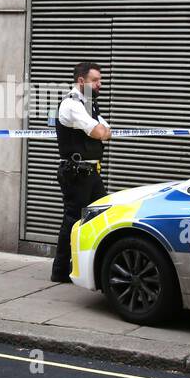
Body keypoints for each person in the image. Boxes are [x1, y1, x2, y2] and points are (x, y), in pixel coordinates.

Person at [50, 61, 112, 283]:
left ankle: (86, 266)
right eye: (95, 80)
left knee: (102, 215)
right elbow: (98, 132)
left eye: (100, 80)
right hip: (76, 173)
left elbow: (108, 131)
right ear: (81, 81)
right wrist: (101, 131)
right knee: (73, 219)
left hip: (91, 173)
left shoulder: (89, 105)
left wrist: (102, 131)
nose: (100, 84)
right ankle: (60, 271)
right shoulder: (72, 104)